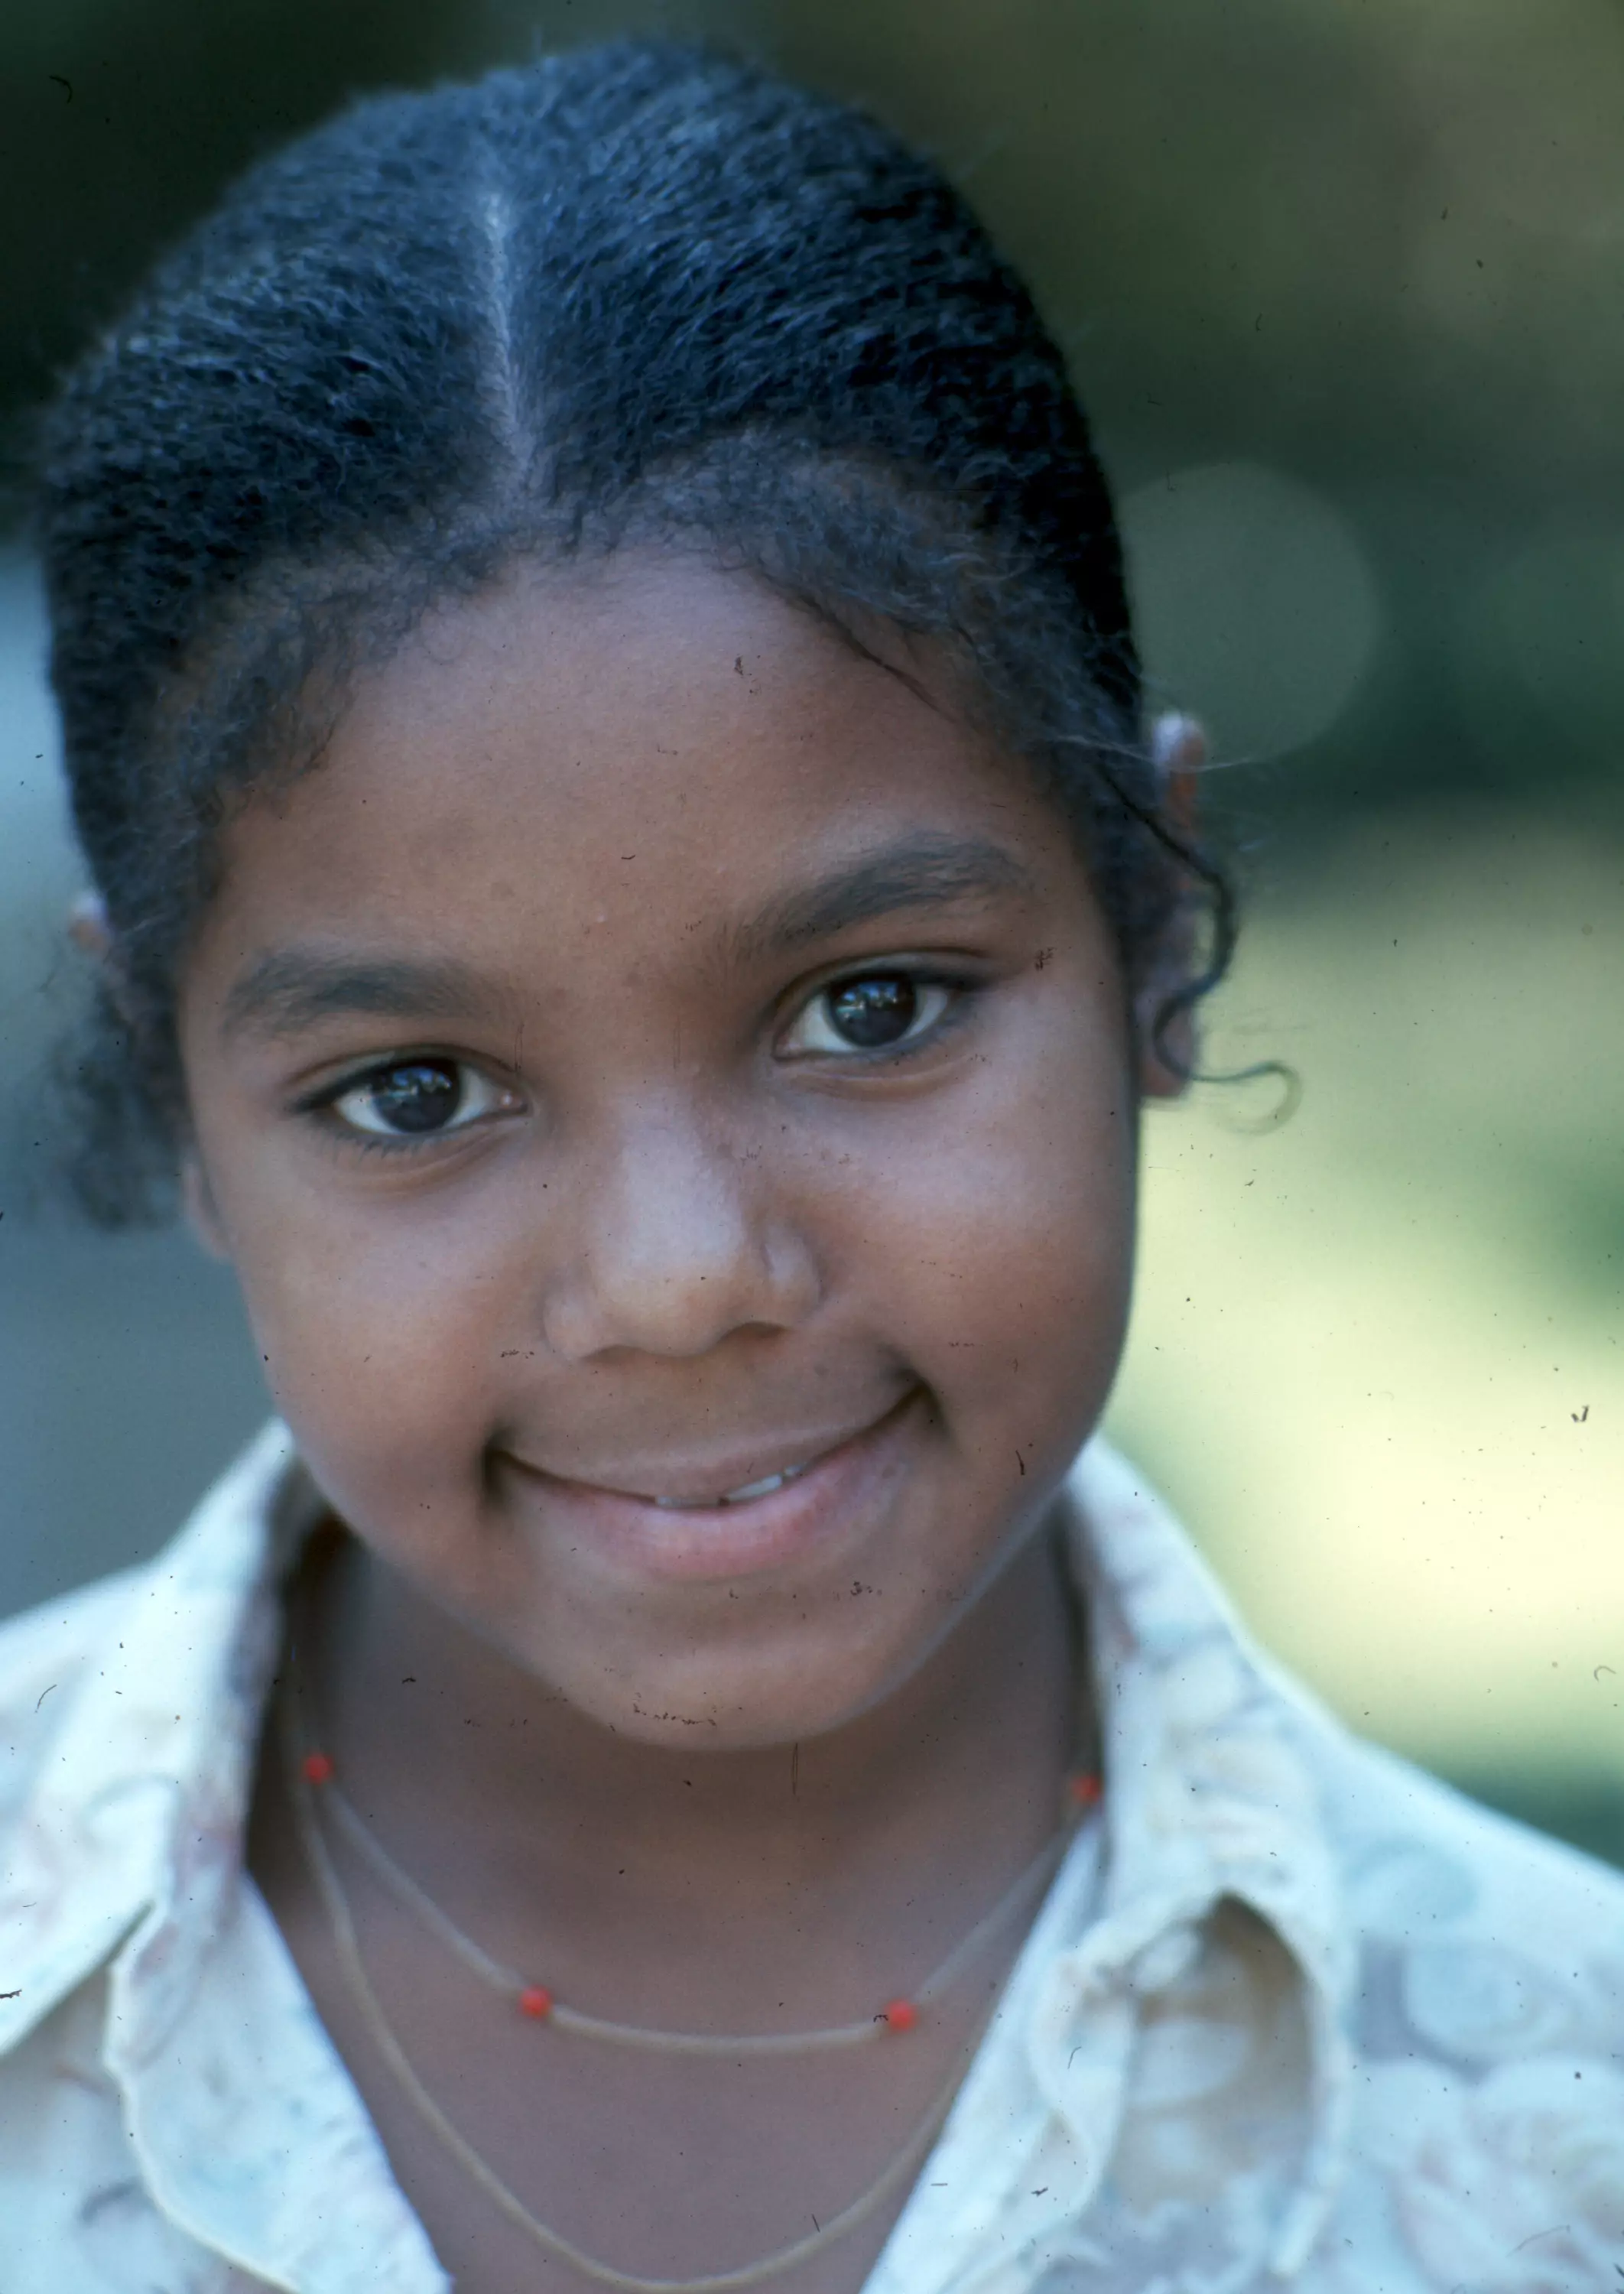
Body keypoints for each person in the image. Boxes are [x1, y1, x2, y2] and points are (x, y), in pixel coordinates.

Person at [2, 37, 1619, 2294]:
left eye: (871, 1007)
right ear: (178, 1096)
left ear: (1153, 922)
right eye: (413, 1090)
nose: (681, 1279)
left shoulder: (1565, 2132)